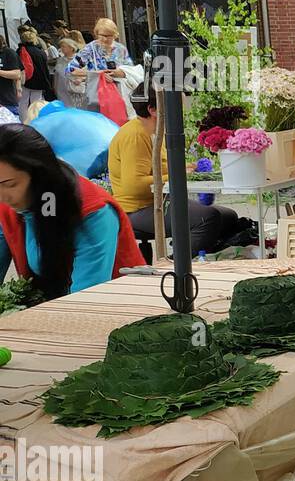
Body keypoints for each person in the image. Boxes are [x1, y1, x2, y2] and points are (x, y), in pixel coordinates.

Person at [0, 125, 144, 298]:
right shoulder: (11, 207)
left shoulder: (92, 212)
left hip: (112, 309)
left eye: (10, 184)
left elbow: (86, 299)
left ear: (39, 176)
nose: (2, 196)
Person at [108, 86, 243, 259]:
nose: (182, 108)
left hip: (160, 201)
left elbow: (161, 168)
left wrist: (191, 167)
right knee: (208, 218)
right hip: (136, 209)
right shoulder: (135, 135)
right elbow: (133, 186)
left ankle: (201, 257)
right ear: (153, 109)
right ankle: (173, 266)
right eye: (175, 103)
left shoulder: (155, 130)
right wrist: (178, 175)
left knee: (228, 217)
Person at [16, 25, 54, 120]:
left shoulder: (20, 50)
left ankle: (24, 121)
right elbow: (44, 67)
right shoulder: (40, 52)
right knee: (36, 102)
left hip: (26, 80)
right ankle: (36, 119)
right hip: (39, 80)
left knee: (23, 102)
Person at [0, 39, 21, 122]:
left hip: (7, 100)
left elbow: (17, 74)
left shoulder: (8, 53)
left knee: (12, 130)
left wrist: (19, 88)